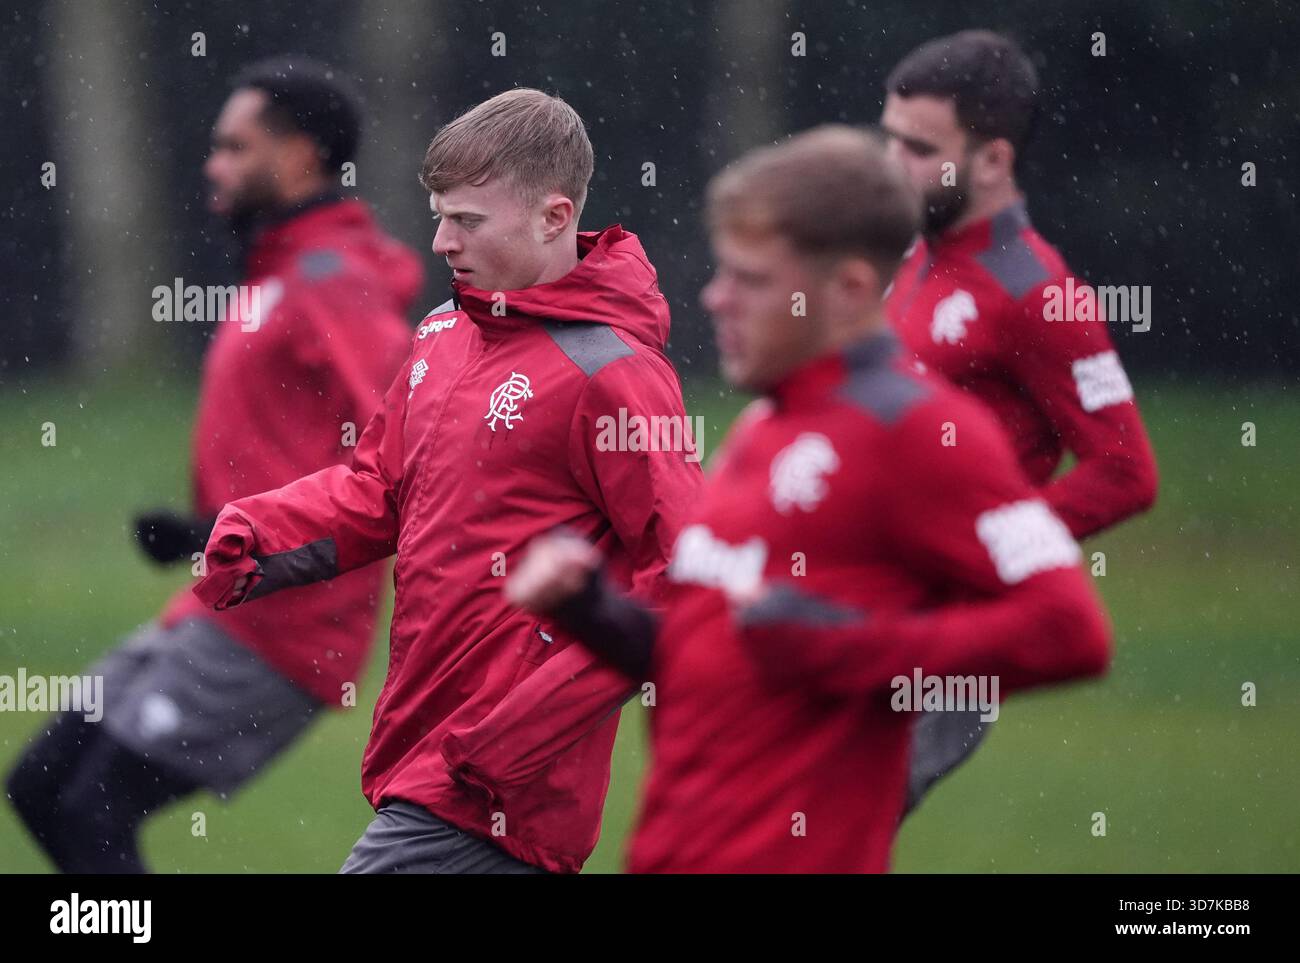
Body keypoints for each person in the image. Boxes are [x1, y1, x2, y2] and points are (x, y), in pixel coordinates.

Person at [507, 125, 1112, 872]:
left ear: (850, 290)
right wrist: (591, 610)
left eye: (751, 279)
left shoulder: (922, 430)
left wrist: (852, 651)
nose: (715, 297)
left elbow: (1070, 629)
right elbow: (719, 654)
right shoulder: (768, 423)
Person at [192, 88, 704, 874]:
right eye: (438, 215)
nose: (439, 241)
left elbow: (682, 580)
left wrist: (521, 730)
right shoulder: (443, 332)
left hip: (498, 788)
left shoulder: (615, 373)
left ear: (554, 217)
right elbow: (378, 490)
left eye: (466, 221)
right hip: (424, 749)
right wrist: (255, 532)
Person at [6, 56, 423, 872]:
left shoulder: (331, 279)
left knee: (91, 809)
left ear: (301, 157)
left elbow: (401, 442)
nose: (214, 164)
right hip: (214, 607)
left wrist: (257, 539)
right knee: (40, 786)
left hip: (283, 626)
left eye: (235, 146)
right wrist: (207, 531)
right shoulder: (280, 272)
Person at [879, 31, 1158, 807]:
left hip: (954, 636)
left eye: (917, 147)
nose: (892, 162)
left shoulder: (1039, 291)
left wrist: (982, 546)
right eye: (889, 138)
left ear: (993, 160)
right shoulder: (918, 252)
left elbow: (1126, 471)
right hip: (876, 605)